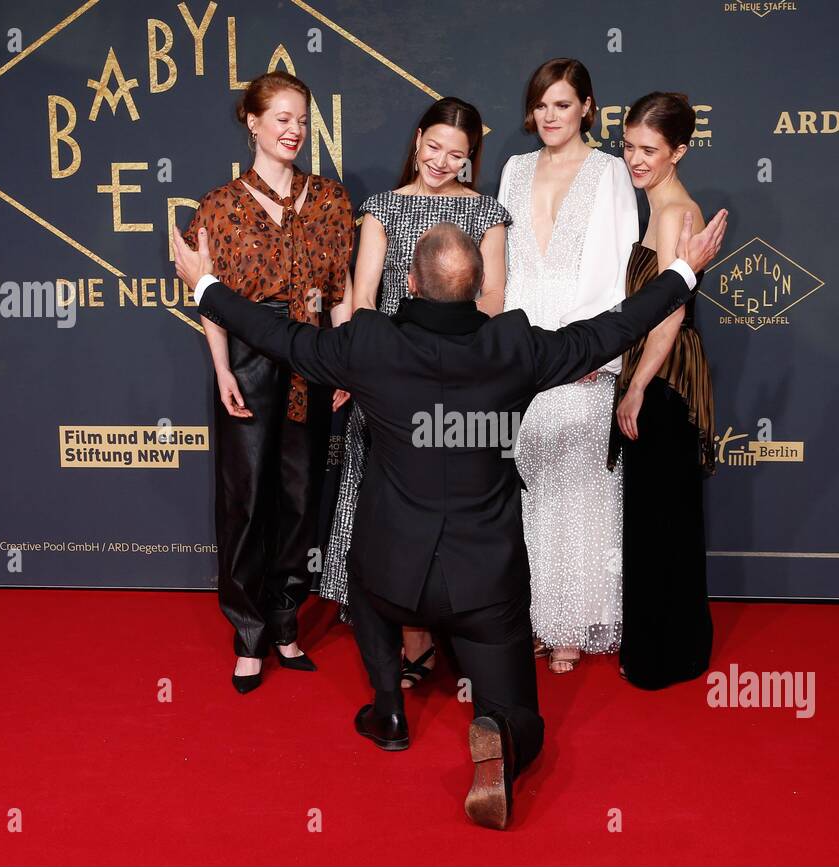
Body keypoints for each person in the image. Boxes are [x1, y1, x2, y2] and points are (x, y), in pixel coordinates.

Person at [171, 208, 728, 828]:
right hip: (485, 584)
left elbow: (280, 338)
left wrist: (204, 286)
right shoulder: (514, 345)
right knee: (524, 721)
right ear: (480, 282)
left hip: (389, 573)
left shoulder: (369, 344)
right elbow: (609, 330)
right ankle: (501, 734)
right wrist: (684, 270)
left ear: (409, 282)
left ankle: (387, 710)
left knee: (360, 568)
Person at [319, 97, 511, 691]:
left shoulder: (488, 214)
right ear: (418, 137)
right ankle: (411, 641)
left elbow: (495, 301)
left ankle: (460, 635)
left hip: (462, 384)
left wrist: (438, 354)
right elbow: (364, 299)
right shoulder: (381, 209)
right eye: (433, 147)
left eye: (457, 155)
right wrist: (366, 367)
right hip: (394, 386)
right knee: (392, 515)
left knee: (458, 512)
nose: (441, 161)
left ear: (470, 159)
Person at [181, 71, 354, 694]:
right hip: (250, 359)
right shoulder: (219, 207)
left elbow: (343, 291)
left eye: (302, 120)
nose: (294, 131)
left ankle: (286, 622)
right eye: (281, 118)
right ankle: (248, 633)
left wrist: (344, 358)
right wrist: (223, 369)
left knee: (301, 497)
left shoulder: (331, 200)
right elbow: (212, 301)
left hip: (311, 354)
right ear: (252, 123)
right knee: (247, 499)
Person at [498, 58, 639, 674]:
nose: (550, 116)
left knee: (580, 487)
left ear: (587, 107)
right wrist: (499, 342)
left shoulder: (610, 171)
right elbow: (499, 262)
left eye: (563, 104)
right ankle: (530, 614)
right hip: (521, 347)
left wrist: (598, 352)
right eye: (542, 105)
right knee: (528, 486)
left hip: (582, 349)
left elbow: (619, 267)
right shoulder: (513, 169)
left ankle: (572, 624)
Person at [611, 92, 716, 689]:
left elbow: (671, 314)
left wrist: (638, 387)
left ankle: (672, 653)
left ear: (678, 150)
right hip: (646, 371)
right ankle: (655, 643)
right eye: (628, 146)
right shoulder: (653, 209)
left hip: (668, 379)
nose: (635, 159)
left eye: (649, 149)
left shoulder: (681, 213)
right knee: (651, 516)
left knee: (666, 516)